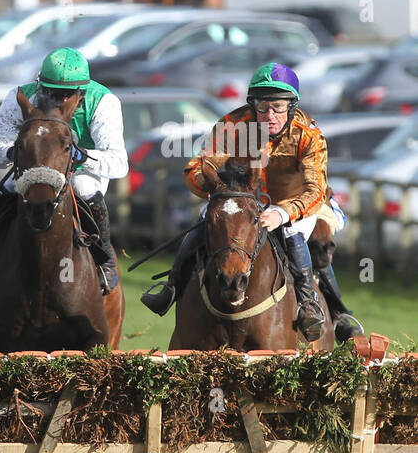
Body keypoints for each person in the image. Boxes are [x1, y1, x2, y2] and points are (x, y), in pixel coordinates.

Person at [140, 62, 357, 342]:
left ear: (291, 106)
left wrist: (283, 213)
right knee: (200, 229)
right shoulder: (233, 125)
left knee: (295, 238)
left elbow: (315, 189)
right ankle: (171, 288)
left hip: (293, 203)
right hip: (239, 200)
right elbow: (196, 168)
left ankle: (322, 308)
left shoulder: (309, 135)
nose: (269, 115)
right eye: (262, 106)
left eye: (278, 107)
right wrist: (219, 192)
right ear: (252, 105)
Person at [0, 47, 128, 295]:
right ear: (40, 84)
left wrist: (80, 156)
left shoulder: (103, 102)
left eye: (67, 95)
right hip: (33, 170)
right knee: (5, 190)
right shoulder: (19, 98)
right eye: (51, 93)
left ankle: (106, 260)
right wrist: (15, 153)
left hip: (80, 172)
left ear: (82, 91)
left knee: (83, 188)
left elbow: (118, 162)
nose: (58, 101)